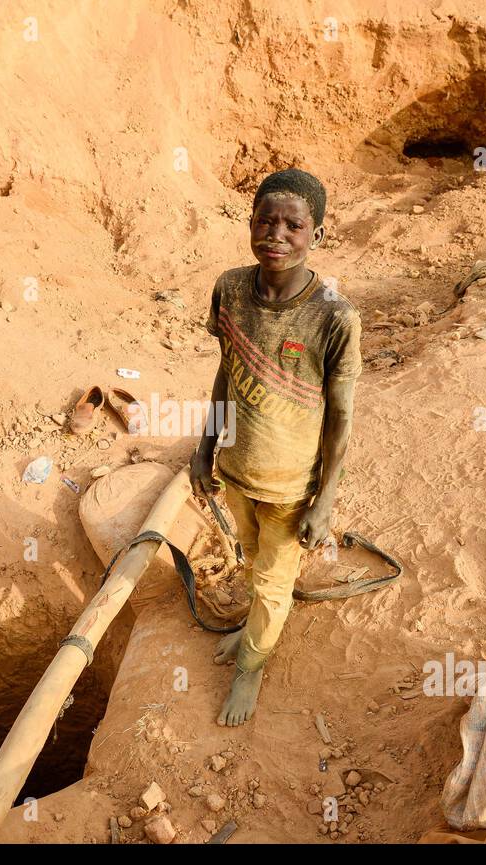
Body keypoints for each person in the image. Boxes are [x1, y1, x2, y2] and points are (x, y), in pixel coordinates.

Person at [190, 168, 362, 727]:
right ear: (249, 223)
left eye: (294, 224)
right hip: (237, 470)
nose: (277, 234)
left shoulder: (334, 315)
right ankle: (249, 632)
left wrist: (326, 498)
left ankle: (251, 668)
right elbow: (224, 371)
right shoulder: (231, 289)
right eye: (266, 220)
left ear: (318, 233)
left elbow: (340, 415)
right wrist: (205, 445)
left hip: (290, 485)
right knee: (250, 556)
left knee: (270, 581)